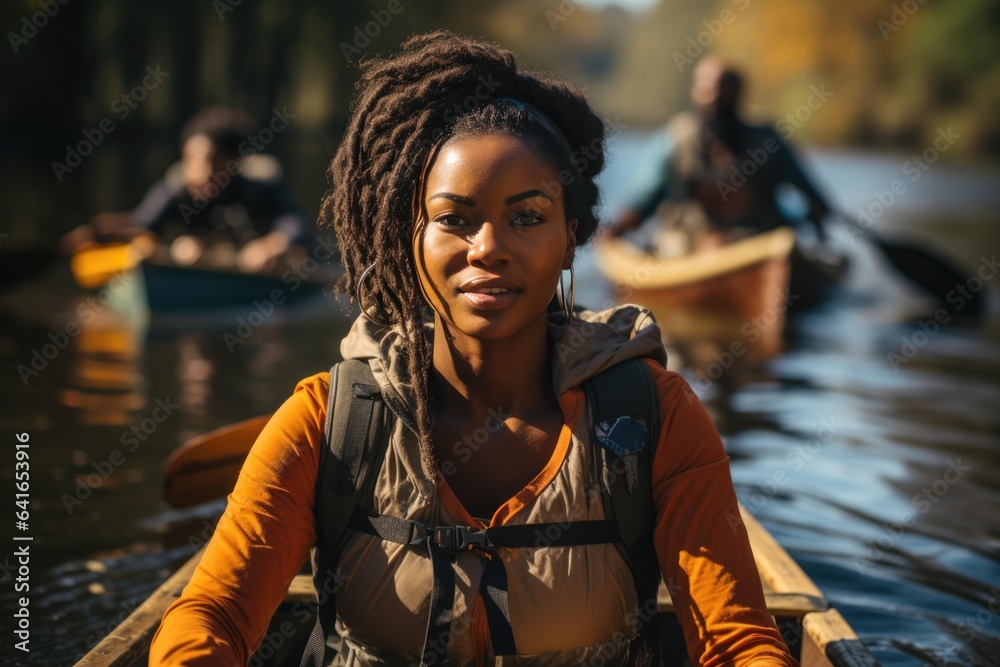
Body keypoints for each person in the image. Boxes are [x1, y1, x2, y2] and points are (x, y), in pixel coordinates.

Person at [149, 32, 797, 666]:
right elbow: (215, 613)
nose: (487, 247)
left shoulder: (658, 416)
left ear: (571, 237)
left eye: (527, 217)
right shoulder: (328, 421)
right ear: (412, 234)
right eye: (455, 218)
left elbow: (737, 640)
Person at [608, 56, 830, 254]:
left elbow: (811, 195)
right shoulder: (675, 138)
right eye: (708, 88)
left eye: (724, 88)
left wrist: (815, 222)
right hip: (690, 242)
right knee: (673, 246)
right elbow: (644, 199)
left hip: (760, 242)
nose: (715, 96)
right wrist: (612, 233)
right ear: (695, 91)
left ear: (738, 92)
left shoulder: (767, 141)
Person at [61, 107, 308, 273]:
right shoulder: (177, 188)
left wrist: (271, 246)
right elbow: (142, 224)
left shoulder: (259, 185)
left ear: (232, 162)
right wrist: (97, 234)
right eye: (191, 160)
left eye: (211, 161)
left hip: (267, 266)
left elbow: (294, 224)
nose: (199, 171)